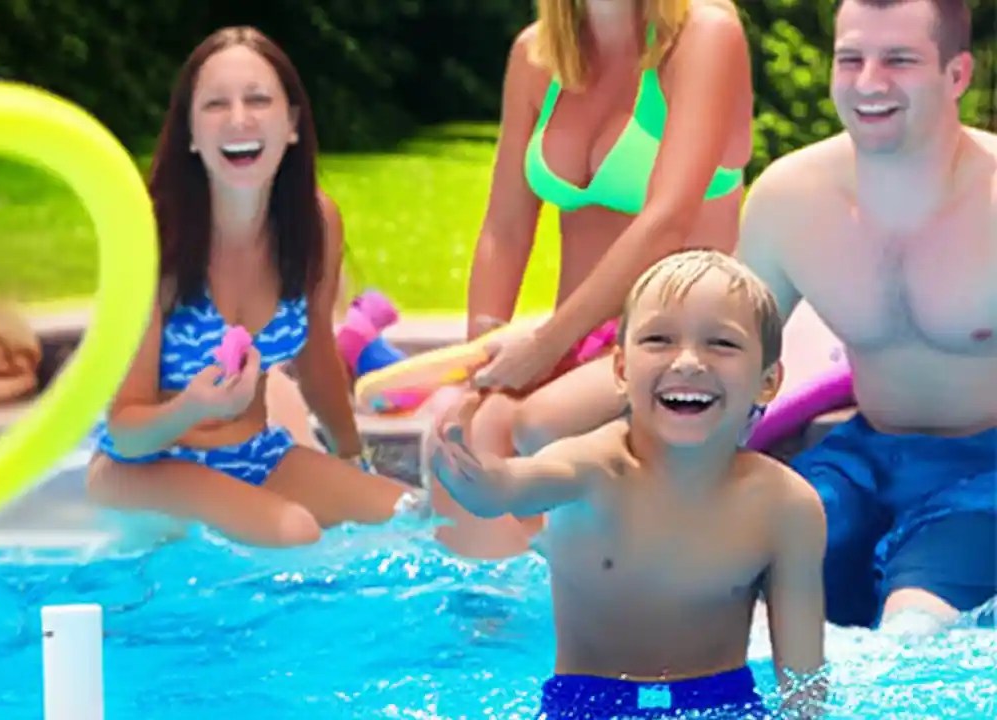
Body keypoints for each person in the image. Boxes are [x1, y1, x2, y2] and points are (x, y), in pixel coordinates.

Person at [431, 250, 827, 718]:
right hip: (588, 707)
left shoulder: (785, 507)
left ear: (767, 381)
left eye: (721, 343)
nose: (688, 362)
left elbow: (805, 690)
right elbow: (515, 485)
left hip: (723, 708)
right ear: (621, 370)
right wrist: (479, 481)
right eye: (659, 339)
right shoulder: (592, 468)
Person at [429, 0, 756, 558]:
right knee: (460, 439)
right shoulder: (537, 55)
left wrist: (545, 344)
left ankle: (599, 607)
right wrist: (478, 357)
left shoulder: (704, 37)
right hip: (582, 344)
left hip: (683, 340)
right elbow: (505, 229)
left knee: (541, 424)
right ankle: (492, 631)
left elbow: (667, 222)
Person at [86, 26, 416, 548]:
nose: (239, 119)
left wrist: (353, 457)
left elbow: (316, 359)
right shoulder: (154, 240)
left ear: (291, 123)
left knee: (410, 518)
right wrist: (193, 408)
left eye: (258, 99)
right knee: (293, 532)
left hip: (256, 455)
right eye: (216, 104)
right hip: (146, 465)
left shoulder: (313, 221)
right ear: (191, 133)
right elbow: (124, 432)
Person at [738, 0, 995, 630]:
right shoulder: (790, 198)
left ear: (956, 75)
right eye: (850, 58)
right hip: (862, 458)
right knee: (747, 600)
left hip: (987, 470)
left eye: (899, 60)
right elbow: (718, 358)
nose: (869, 82)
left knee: (913, 634)